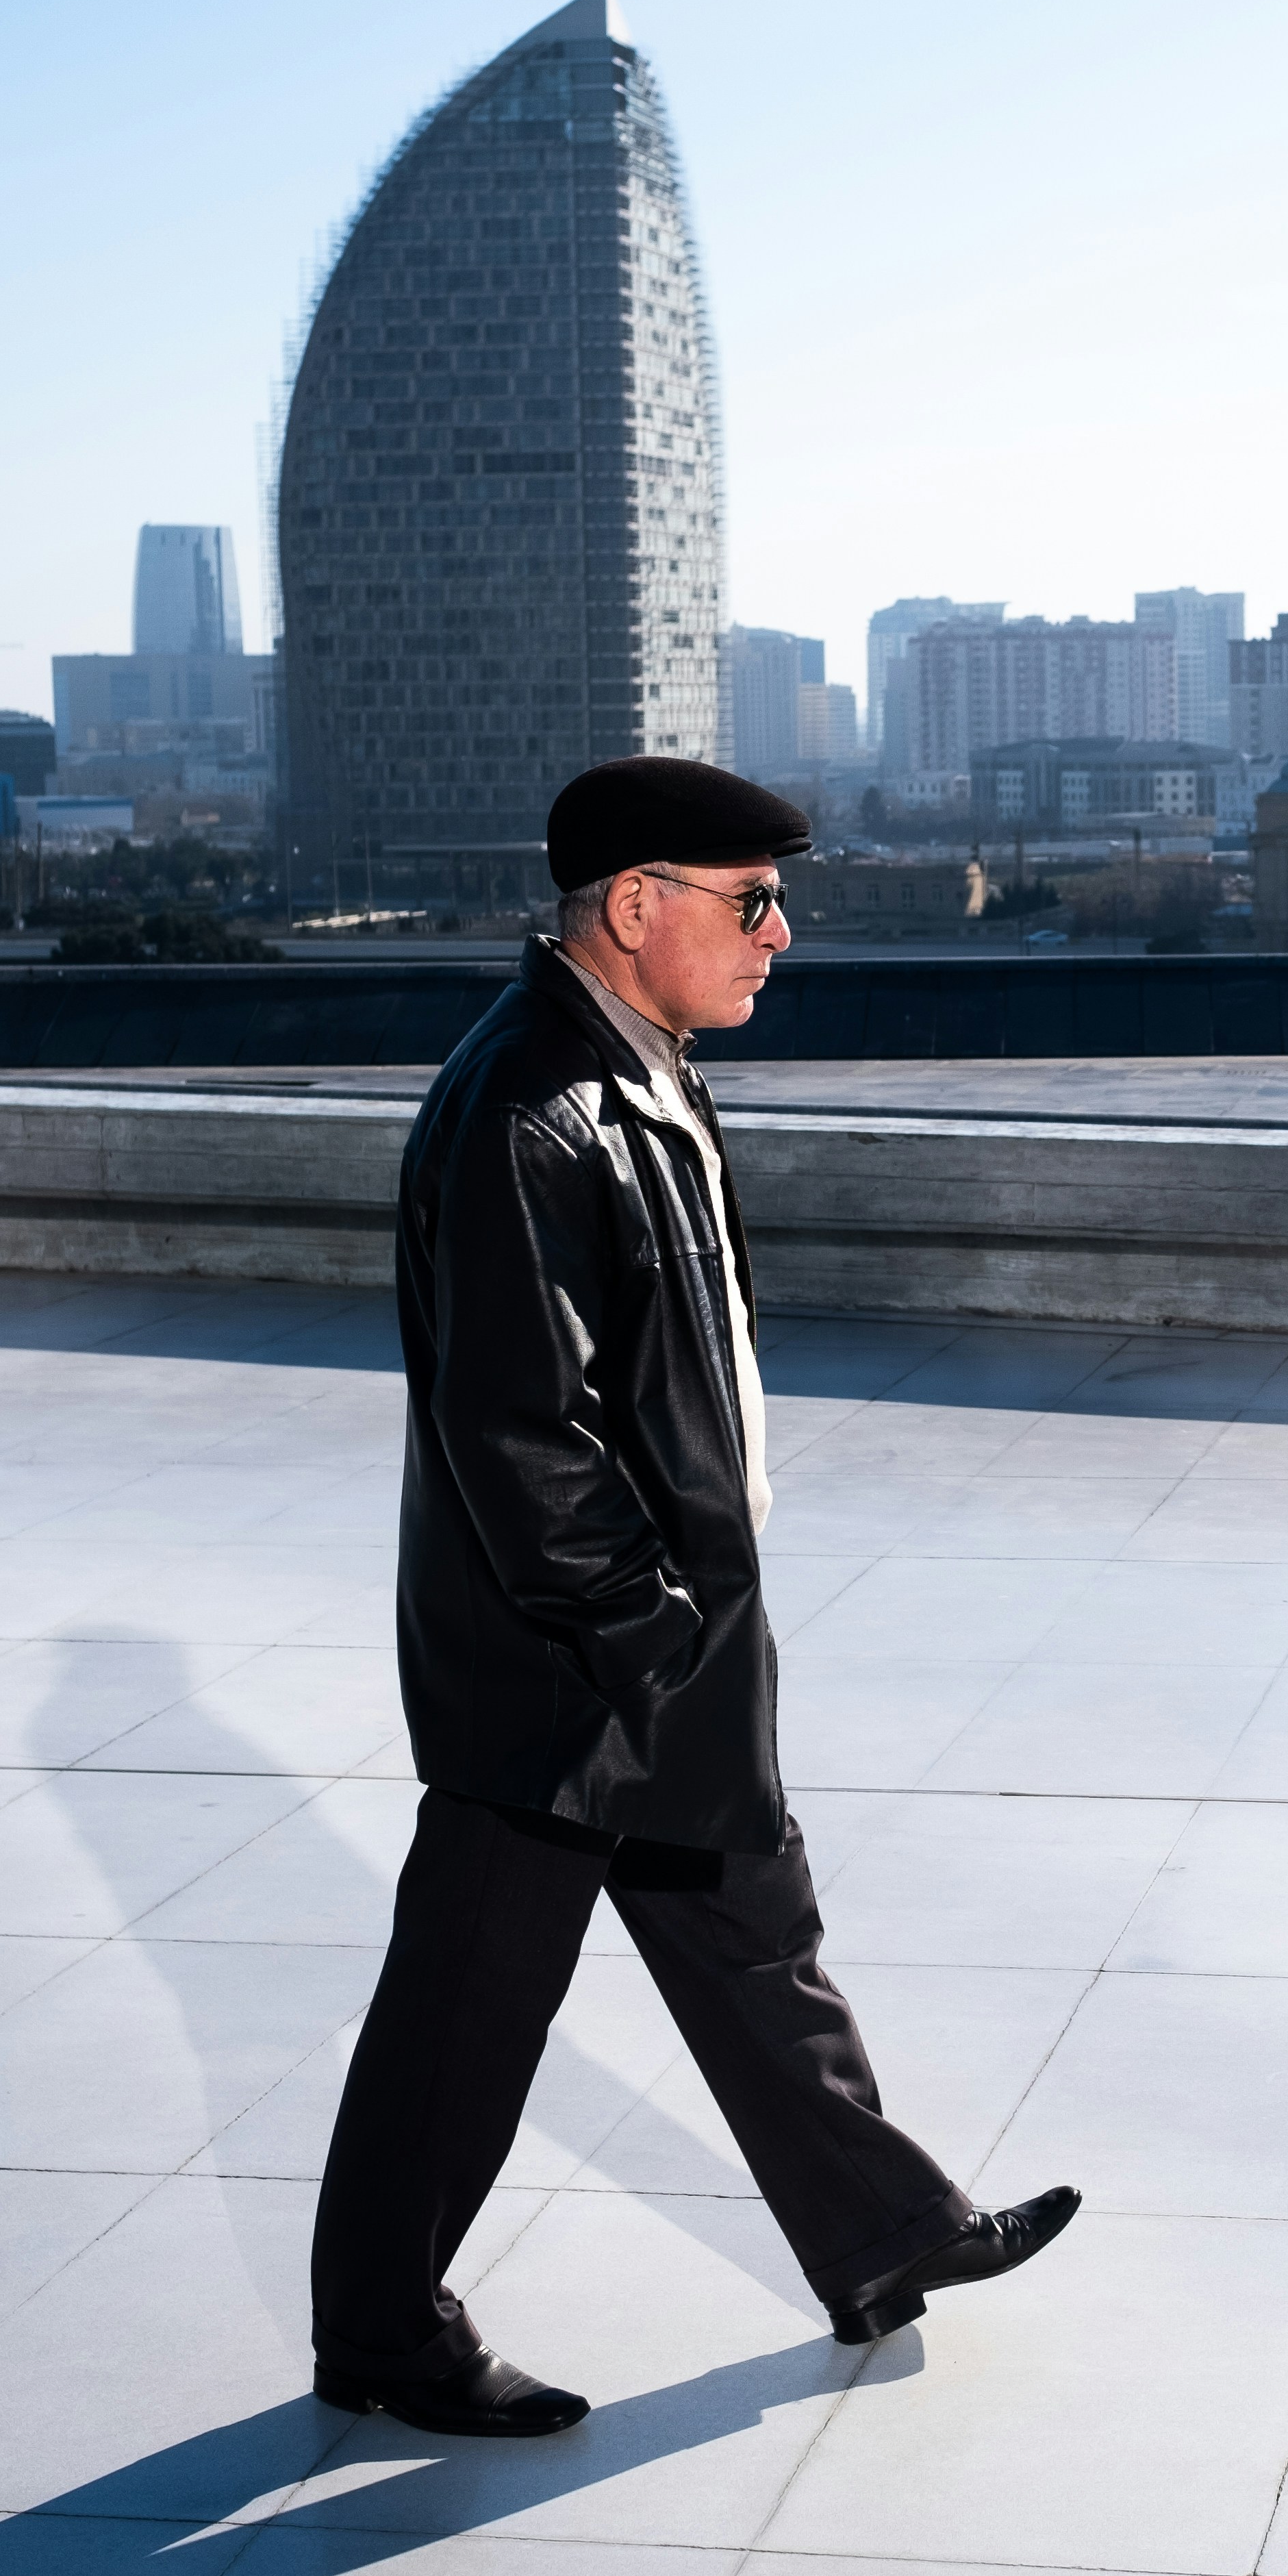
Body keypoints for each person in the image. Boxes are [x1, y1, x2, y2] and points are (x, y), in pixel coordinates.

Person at [305, 755, 1079, 2437]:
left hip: (666, 1631)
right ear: (636, 907)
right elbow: (522, 1433)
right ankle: (378, 2335)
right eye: (751, 903)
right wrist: (648, 1628)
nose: (782, 933)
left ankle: (887, 2233)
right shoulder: (533, 1112)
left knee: (754, 1933)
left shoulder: (637, 1071)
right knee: (470, 2004)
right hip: (576, 1664)